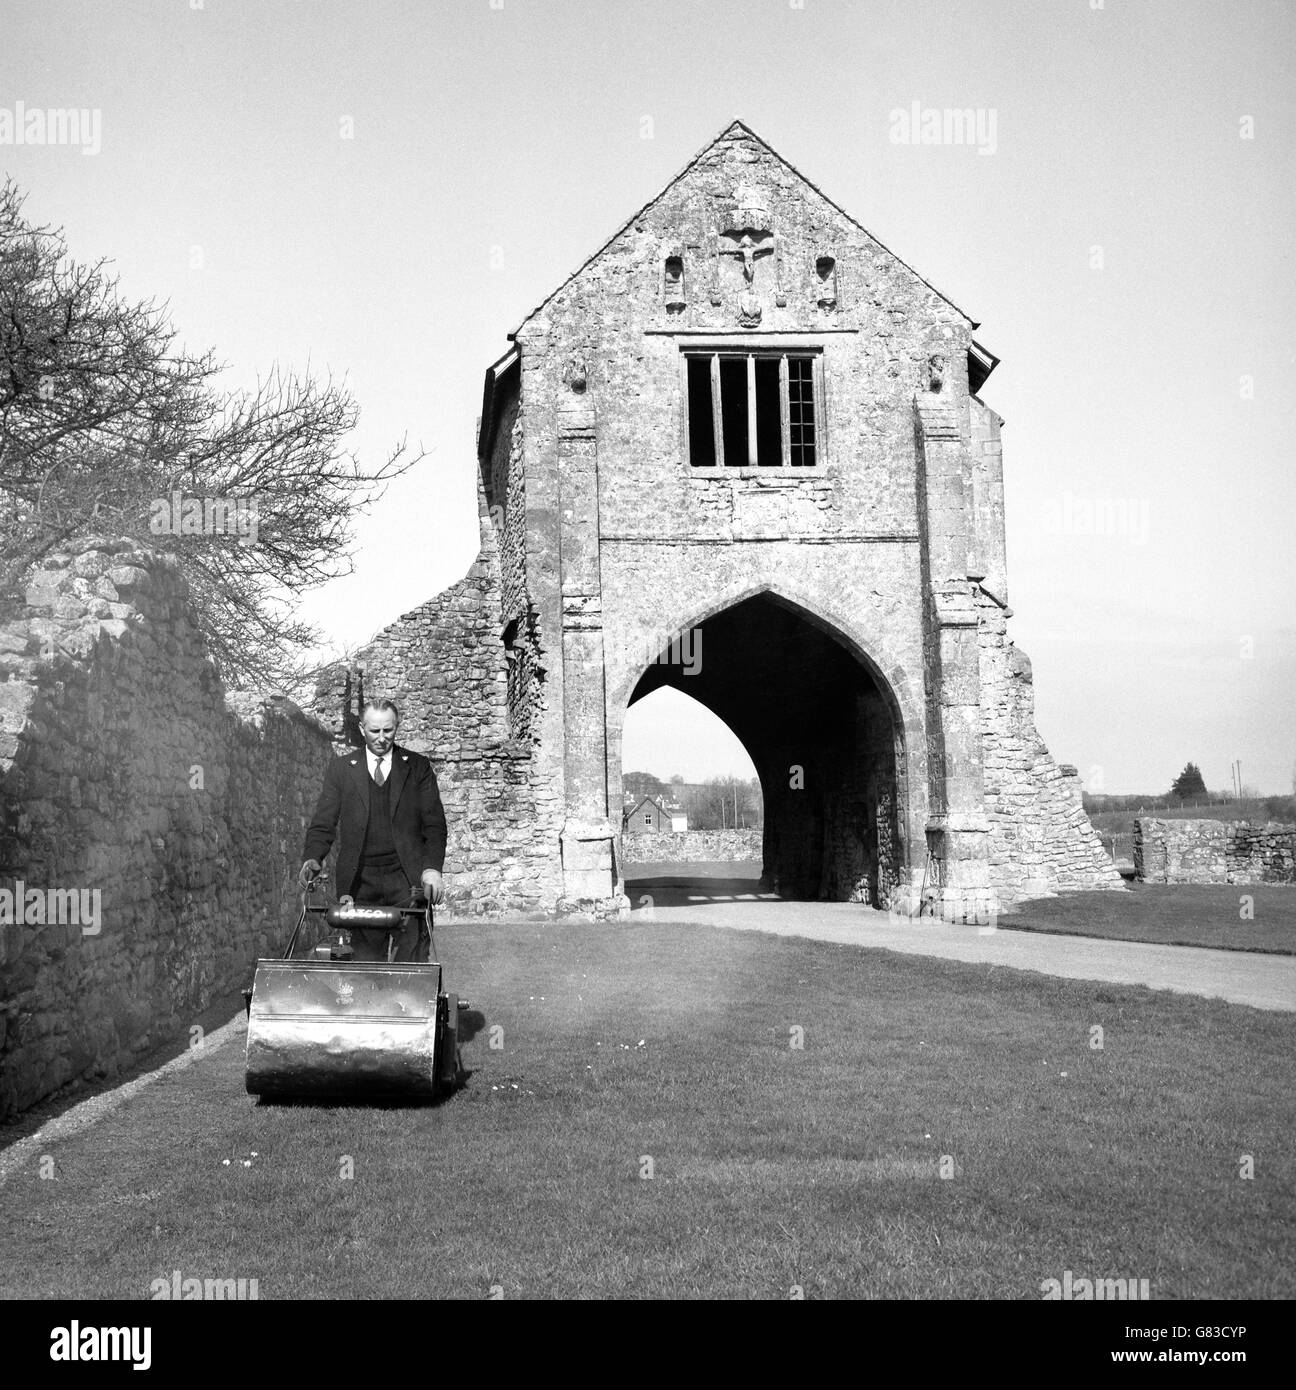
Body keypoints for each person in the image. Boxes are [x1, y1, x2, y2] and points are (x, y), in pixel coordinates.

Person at [299, 697, 447, 962]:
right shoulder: (341, 769)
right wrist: (313, 857)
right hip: (361, 883)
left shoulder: (418, 768)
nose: (381, 738)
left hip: (407, 882)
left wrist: (432, 869)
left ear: (397, 727)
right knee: (365, 969)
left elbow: (434, 825)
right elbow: (324, 822)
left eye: (388, 730)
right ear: (361, 729)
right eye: (374, 731)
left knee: (411, 965)